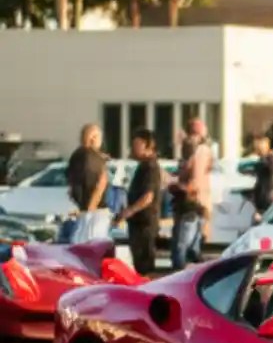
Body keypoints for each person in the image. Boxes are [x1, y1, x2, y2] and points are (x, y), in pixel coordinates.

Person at [114, 129, 163, 276]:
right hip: (138, 224)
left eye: (137, 145)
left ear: (148, 146)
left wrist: (129, 211)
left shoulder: (150, 167)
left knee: (144, 266)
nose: (132, 149)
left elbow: (148, 196)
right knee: (138, 263)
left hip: (144, 224)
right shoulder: (142, 166)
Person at [171, 118, 212, 269]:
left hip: (190, 204)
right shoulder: (203, 153)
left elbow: (193, 183)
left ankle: (180, 273)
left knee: (183, 245)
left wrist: (176, 185)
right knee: (192, 247)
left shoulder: (198, 154)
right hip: (198, 204)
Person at [65, 123, 111, 243]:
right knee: (92, 247)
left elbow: (71, 185)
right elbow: (100, 184)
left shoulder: (75, 157)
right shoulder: (94, 158)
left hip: (84, 210)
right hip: (95, 212)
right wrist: (90, 209)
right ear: (93, 138)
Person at [250, 131, 273, 222]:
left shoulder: (272, 159)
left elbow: (270, 172)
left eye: (259, 144)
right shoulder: (264, 159)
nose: (257, 147)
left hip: (269, 201)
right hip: (263, 201)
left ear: (267, 143)